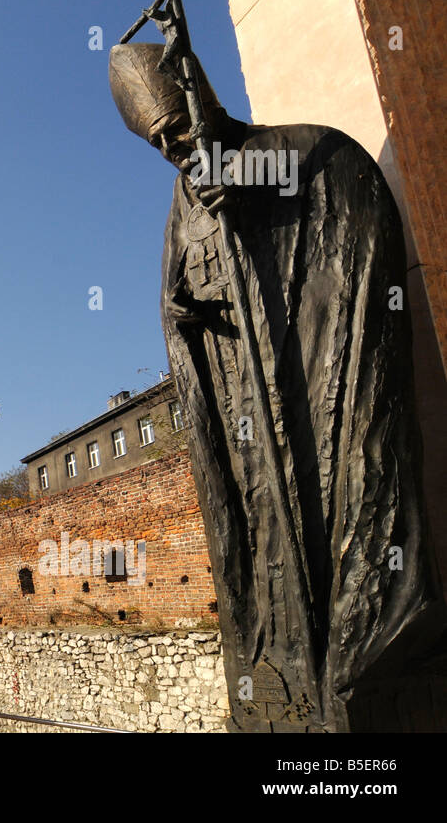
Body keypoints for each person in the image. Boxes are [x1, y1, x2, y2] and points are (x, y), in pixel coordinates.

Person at [110, 42, 446, 731]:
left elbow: (347, 193)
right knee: (265, 551)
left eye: (176, 124)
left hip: (316, 400)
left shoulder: (298, 149)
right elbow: (179, 310)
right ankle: (284, 686)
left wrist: (258, 185)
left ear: (199, 93)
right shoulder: (183, 211)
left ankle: (356, 666)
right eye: (157, 141)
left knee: (340, 516)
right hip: (248, 432)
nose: (173, 145)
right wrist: (185, 313)